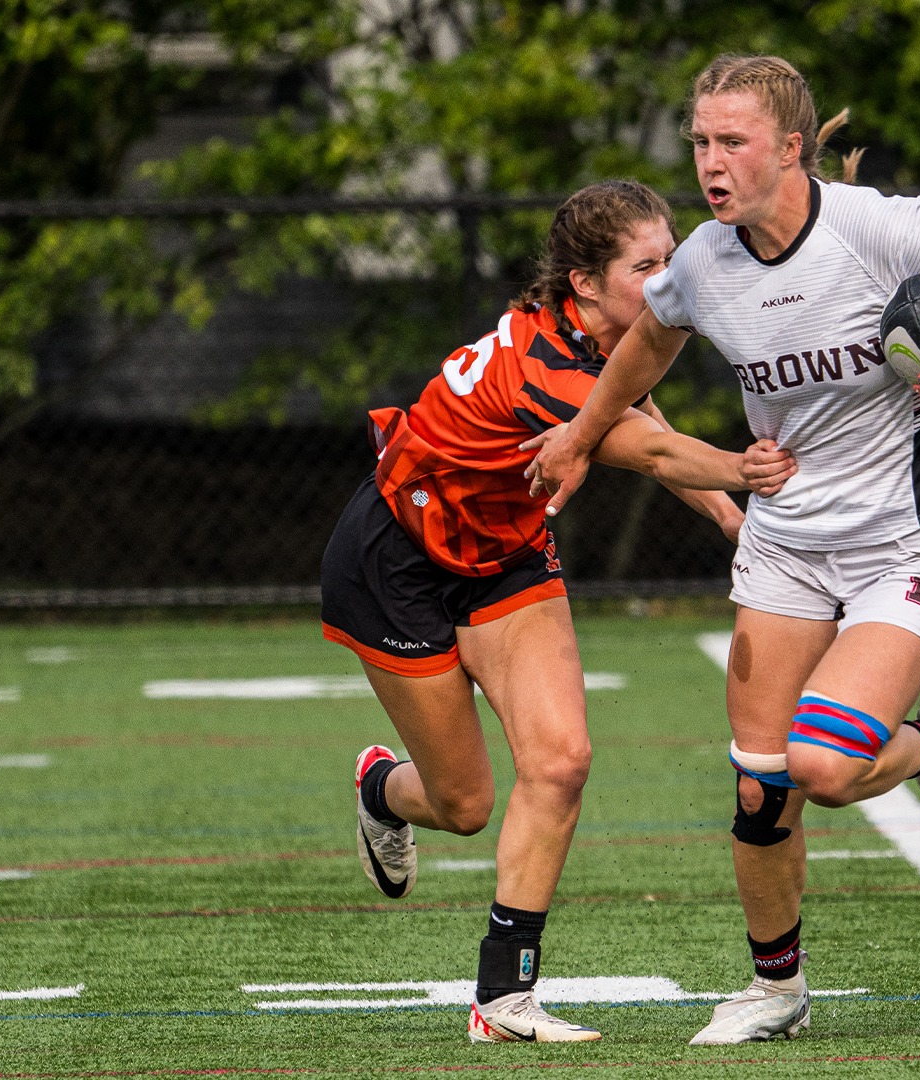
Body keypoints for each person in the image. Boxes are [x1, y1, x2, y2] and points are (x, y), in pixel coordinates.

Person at [527, 55, 920, 1044]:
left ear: (790, 148)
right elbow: (647, 339)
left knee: (820, 763)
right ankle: (779, 989)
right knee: (759, 784)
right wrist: (581, 434)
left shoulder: (879, 227)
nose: (711, 164)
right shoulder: (702, 262)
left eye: (732, 142)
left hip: (910, 528)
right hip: (787, 542)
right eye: (699, 142)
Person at [322, 179, 796, 1043]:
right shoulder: (543, 367)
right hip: (399, 558)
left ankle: (502, 1000)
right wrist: (746, 471)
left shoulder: (607, 338)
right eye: (646, 267)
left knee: (562, 762)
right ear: (583, 283)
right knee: (463, 805)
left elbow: (635, 403)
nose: (668, 281)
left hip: (504, 557)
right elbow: (647, 445)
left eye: (671, 260)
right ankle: (383, 792)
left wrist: (729, 520)